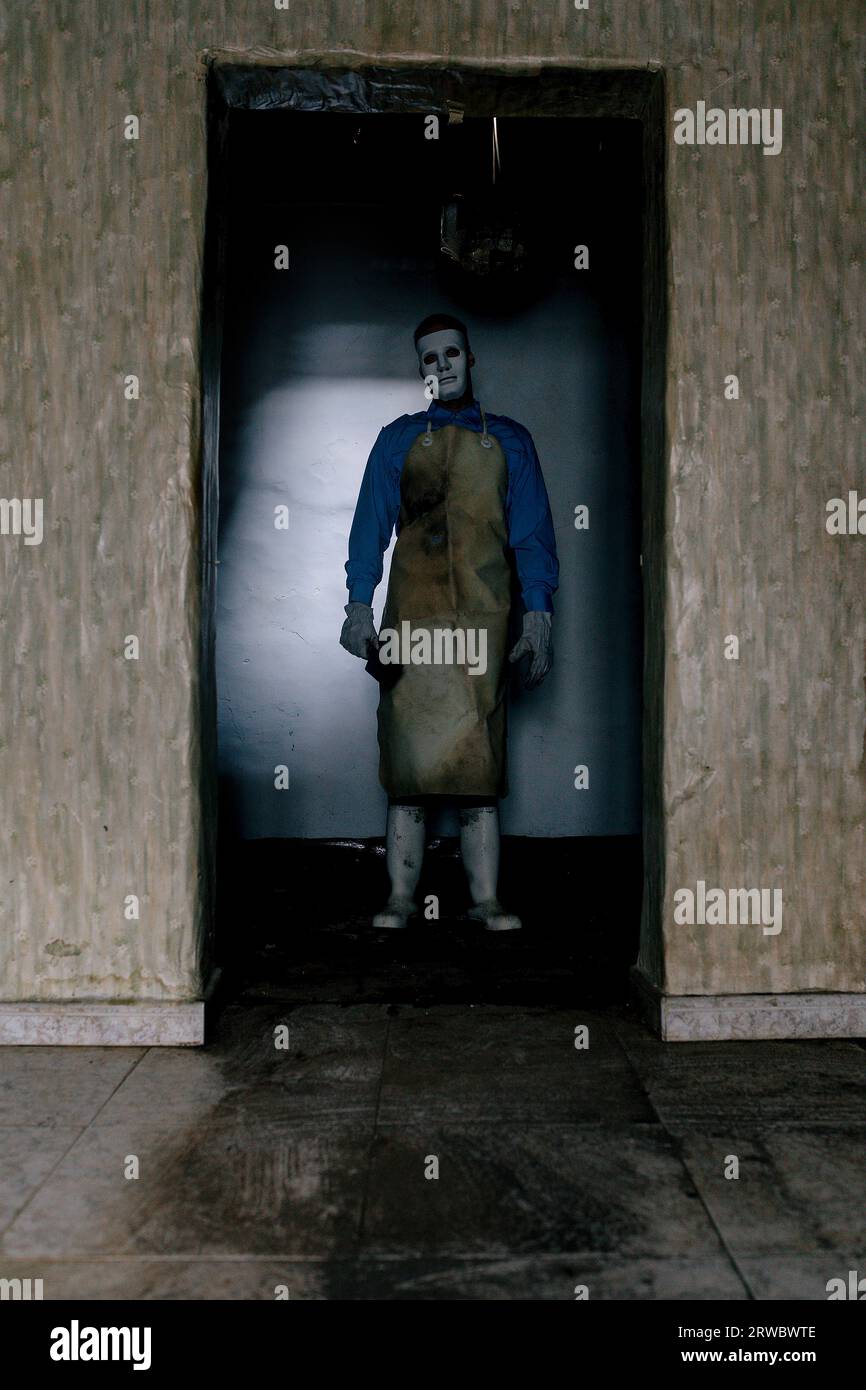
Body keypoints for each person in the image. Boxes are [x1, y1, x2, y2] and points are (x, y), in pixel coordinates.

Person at [340, 314, 558, 930]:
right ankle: (401, 899)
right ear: (421, 370)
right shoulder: (397, 440)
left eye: (453, 353)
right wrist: (359, 604)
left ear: (470, 357)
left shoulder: (511, 440)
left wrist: (538, 615)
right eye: (430, 357)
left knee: (477, 764)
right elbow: (368, 529)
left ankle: (486, 900)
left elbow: (533, 537)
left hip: (484, 624)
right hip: (411, 621)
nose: (444, 365)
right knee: (408, 767)